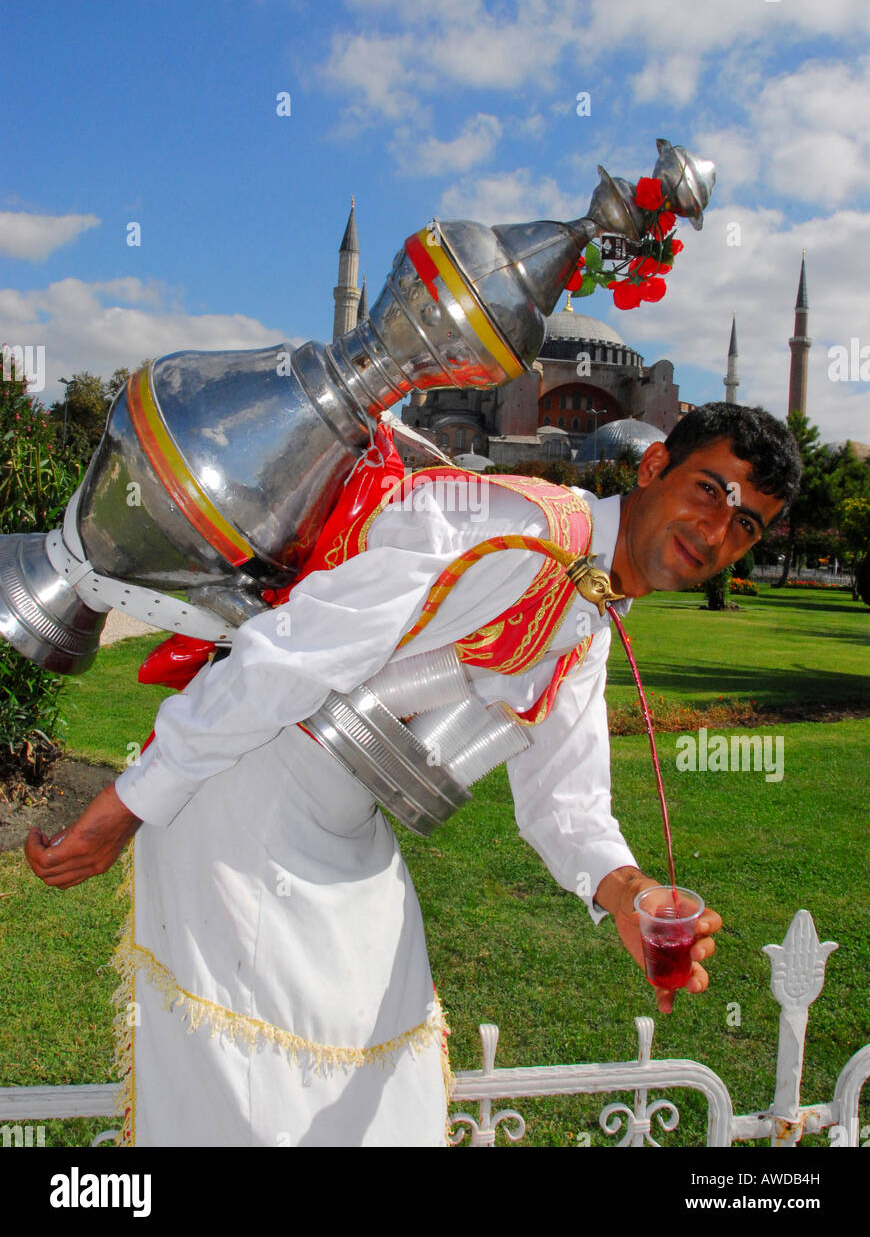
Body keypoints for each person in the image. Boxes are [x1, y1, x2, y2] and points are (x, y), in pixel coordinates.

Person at [25, 402, 801, 1147]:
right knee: (253, 1103)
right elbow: (294, 651)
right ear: (656, 464)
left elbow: (565, 803)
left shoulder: (590, 615)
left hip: (346, 831)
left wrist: (630, 896)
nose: (717, 529)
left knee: (384, 1090)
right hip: (244, 798)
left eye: (747, 524)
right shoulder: (518, 528)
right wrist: (131, 803)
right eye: (711, 490)